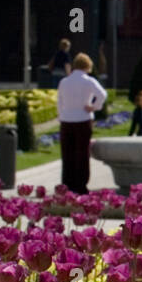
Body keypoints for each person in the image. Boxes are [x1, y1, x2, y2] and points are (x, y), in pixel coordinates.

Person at [57, 53, 106, 194]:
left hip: (66, 120)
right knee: (82, 153)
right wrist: (94, 106)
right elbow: (102, 94)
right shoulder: (88, 81)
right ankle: (81, 185)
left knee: (67, 154)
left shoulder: (64, 81)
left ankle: (67, 184)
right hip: (83, 118)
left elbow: (59, 101)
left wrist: (62, 115)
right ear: (88, 66)